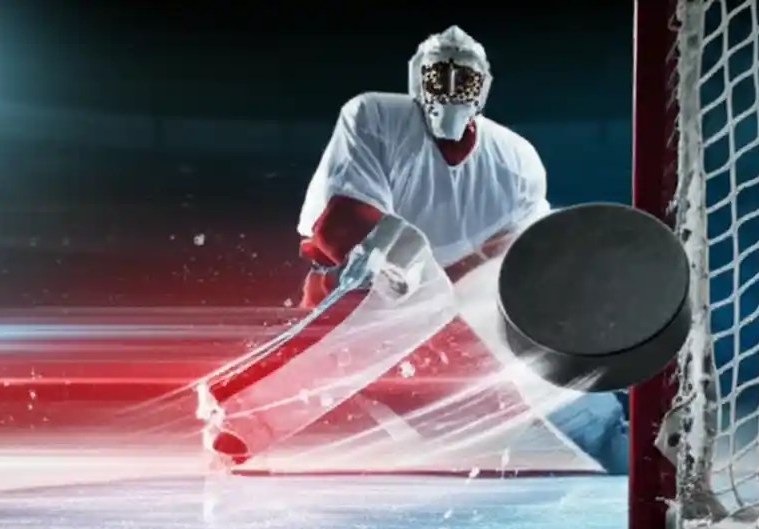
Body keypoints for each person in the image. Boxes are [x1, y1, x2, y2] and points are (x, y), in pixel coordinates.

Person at [200, 26, 628, 473]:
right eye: (439, 77)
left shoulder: (516, 158)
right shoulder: (374, 117)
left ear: (482, 89)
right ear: (417, 79)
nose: (450, 91)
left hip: (453, 316)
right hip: (357, 290)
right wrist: (410, 274)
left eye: (463, 80)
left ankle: (609, 431)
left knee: (512, 329)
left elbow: (527, 256)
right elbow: (341, 225)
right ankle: (242, 415)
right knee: (406, 262)